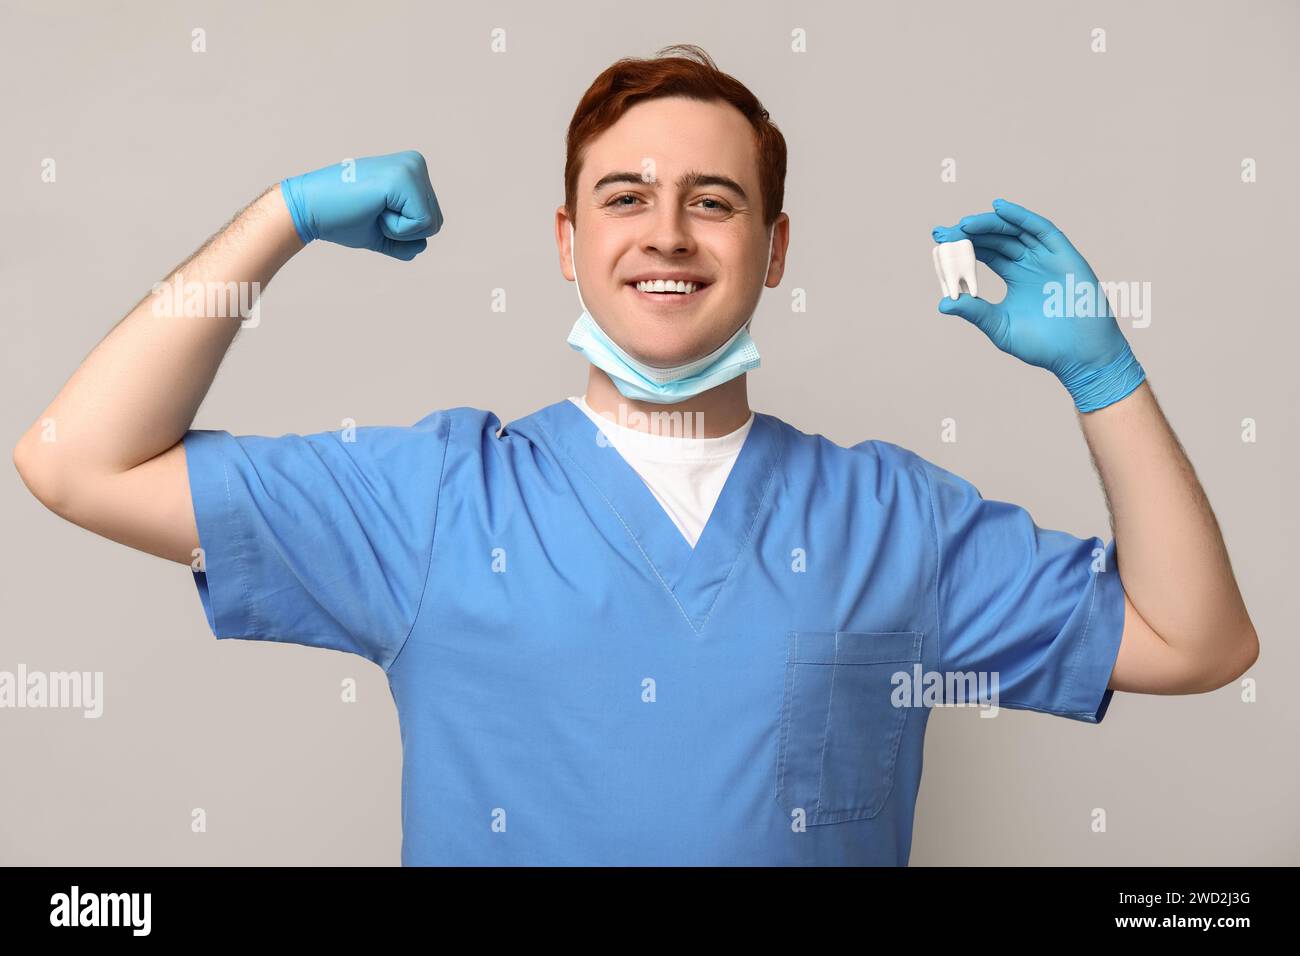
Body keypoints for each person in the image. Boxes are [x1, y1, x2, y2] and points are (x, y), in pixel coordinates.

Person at [12, 44, 1258, 866]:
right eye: (623, 197)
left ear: (773, 248)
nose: (666, 232)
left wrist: (1104, 375)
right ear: (566, 240)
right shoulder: (434, 501)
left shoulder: (895, 519)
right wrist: (273, 221)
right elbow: (78, 461)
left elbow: (1195, 642)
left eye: (712, 200)